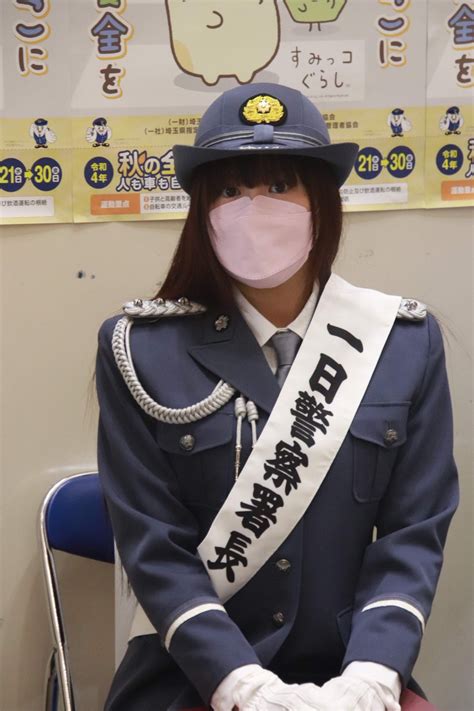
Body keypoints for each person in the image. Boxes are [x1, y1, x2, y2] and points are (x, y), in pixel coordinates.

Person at [95, 83, 459, 711]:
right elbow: (153, 545)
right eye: (230, 191)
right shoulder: (139, 350)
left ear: (322, 203)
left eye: (280, 184)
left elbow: (413, 535)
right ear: (202, 212)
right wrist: (241, 685)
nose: (254, 209)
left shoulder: (402, 343)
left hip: (349, 667)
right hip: (191, 675)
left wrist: (372, 677)